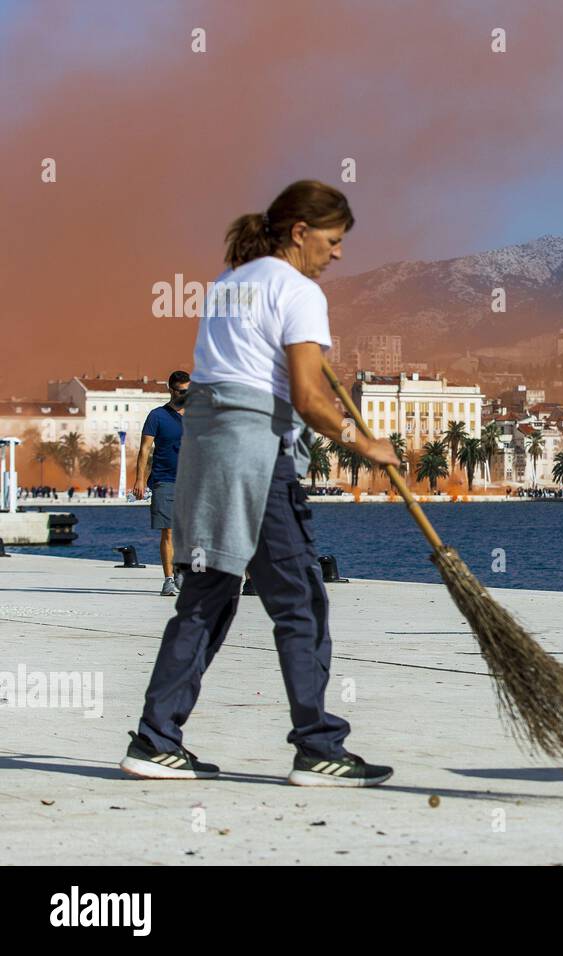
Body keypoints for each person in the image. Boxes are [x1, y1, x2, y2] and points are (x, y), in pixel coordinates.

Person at [121, 180, 399, 787]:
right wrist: (364, 444)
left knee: (205, 596)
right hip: (256, 455)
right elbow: (307, 396)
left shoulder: (226, 286)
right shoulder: (298, 291)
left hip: (205, 451)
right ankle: (318, 748)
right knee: (300, 600)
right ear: (300, 233)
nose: (340, 253)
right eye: (333, 240)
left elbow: (226, 377)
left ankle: (155, 739)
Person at [133, 370, 189, 596]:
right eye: (183, 391)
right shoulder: (157, 416)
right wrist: (139, 479)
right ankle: (168, 579)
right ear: (172, 390)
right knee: (168, 532)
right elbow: (145, 449)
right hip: (164, 481)